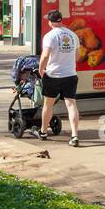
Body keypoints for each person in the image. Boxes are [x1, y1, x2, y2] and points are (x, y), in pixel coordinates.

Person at [37, 9, 81, 146]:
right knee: (71, 104)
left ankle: (43, 131)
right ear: (61, 20)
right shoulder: (73, 35)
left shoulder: (50, 36)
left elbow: (45, 56)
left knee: (48, 104)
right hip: (70, 74)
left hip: (53, 75)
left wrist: (41, 69)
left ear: (50, 22)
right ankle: (74, 136)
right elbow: (78, 56)